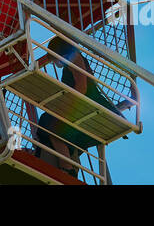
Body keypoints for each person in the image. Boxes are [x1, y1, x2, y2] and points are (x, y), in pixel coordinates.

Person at [33, 35, 121, 178]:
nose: (53, 62)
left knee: (49, 121)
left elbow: (82, 87)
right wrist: (28, 67)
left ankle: (67, 167)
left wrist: (62, 106)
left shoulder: (74, 57)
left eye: (54, 57)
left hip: (88, 103)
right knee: (52, 124)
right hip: (81, 104)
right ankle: (68, 163)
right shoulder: (65, 58)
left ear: (60, 52)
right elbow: (44, 60)